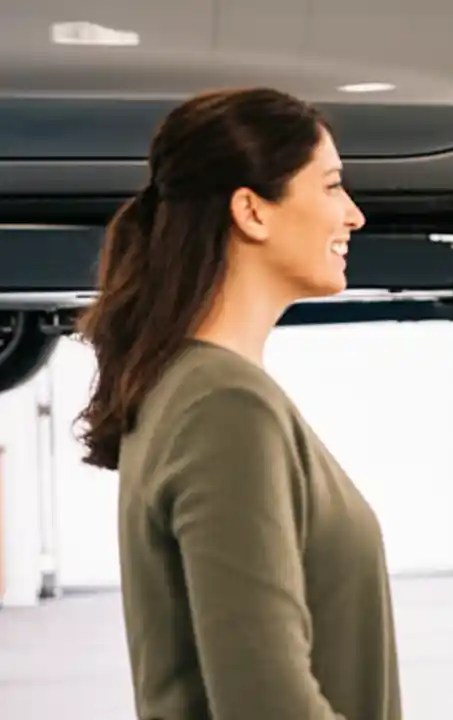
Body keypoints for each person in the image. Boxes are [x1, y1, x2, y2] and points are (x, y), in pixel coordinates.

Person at [74, 88, 400, 719]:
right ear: (252, 211)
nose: (354, 214)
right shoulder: (224, 406)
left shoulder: (191, 388)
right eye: (331, 186)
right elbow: (266, 705)